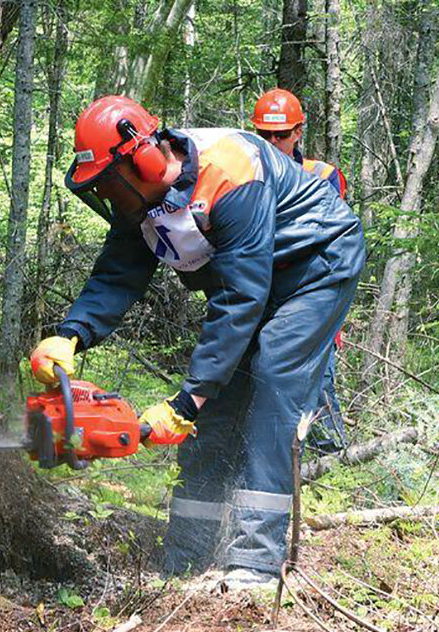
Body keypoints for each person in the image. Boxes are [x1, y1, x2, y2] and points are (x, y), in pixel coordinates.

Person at [28, 95, 365, 591]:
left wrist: (188, 400)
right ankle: (189, 556)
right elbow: (117, 275)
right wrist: (71, 334)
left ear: (142, 159)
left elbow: (239, 302)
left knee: (272, 380)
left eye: (110, 183)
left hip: (314, 266)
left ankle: (256, 562)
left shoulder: (229, 173)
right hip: (255, 279)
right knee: (218, 409)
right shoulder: (138, 201)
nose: (109, 196)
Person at [251, 88, 349, 454]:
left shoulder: (321, 175)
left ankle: (329, 460)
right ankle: (275, 456)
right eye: (265, 135)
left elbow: (327, 238)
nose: (273, 142)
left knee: (318, 383)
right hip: (262, 294)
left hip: (310, 297)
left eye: (281, 134)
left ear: (297, 133)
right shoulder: (246, 176)